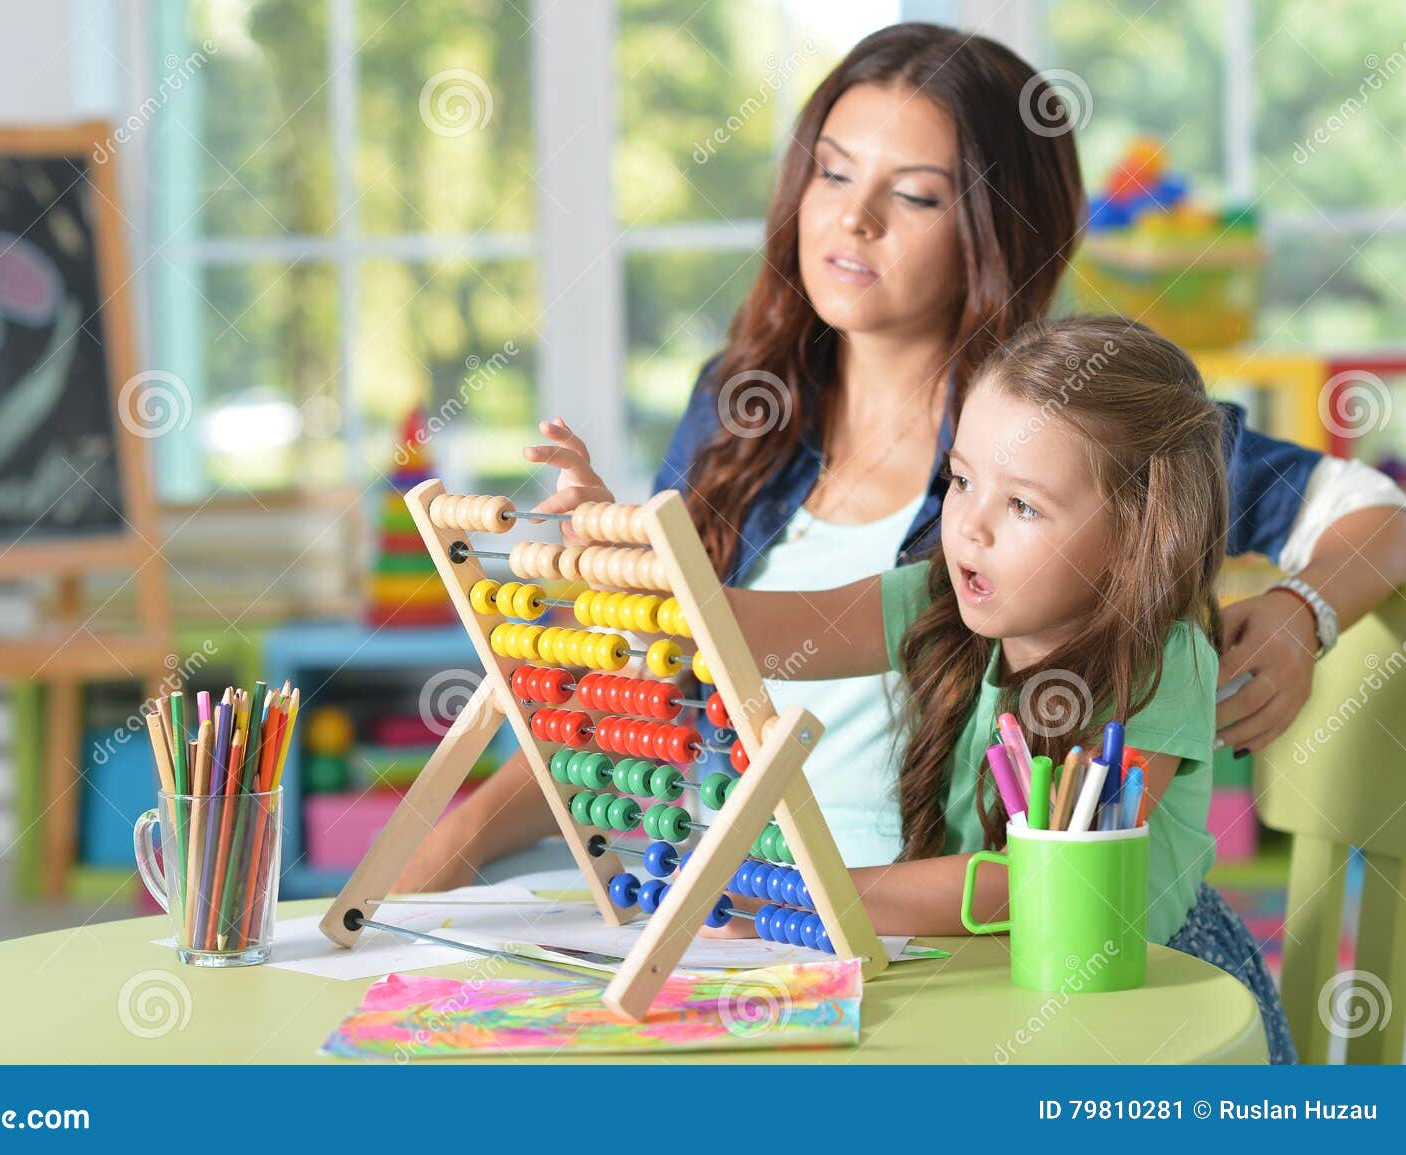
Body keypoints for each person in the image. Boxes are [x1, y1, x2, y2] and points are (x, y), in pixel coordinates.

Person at [397, 24, 1406, 904]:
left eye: (913, 196)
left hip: (936, 927)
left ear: (993, 231)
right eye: (832, 173)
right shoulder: (737, 403)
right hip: (731, 900)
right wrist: (446, 843)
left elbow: (1380, 514)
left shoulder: (1067, 426)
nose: (852, 219)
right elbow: (668, 680)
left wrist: (1299, 613)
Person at [700, 314, 1295, 1060]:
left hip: (1145, 1010)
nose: (969, 527)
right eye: (961, 479)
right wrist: (627, 553)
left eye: (1022, 505)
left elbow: (1039, 886)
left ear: (1136, 537)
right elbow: (759, 629)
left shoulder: (1162, 664)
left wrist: (812, 888)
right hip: (988, 981)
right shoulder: (936, 602)